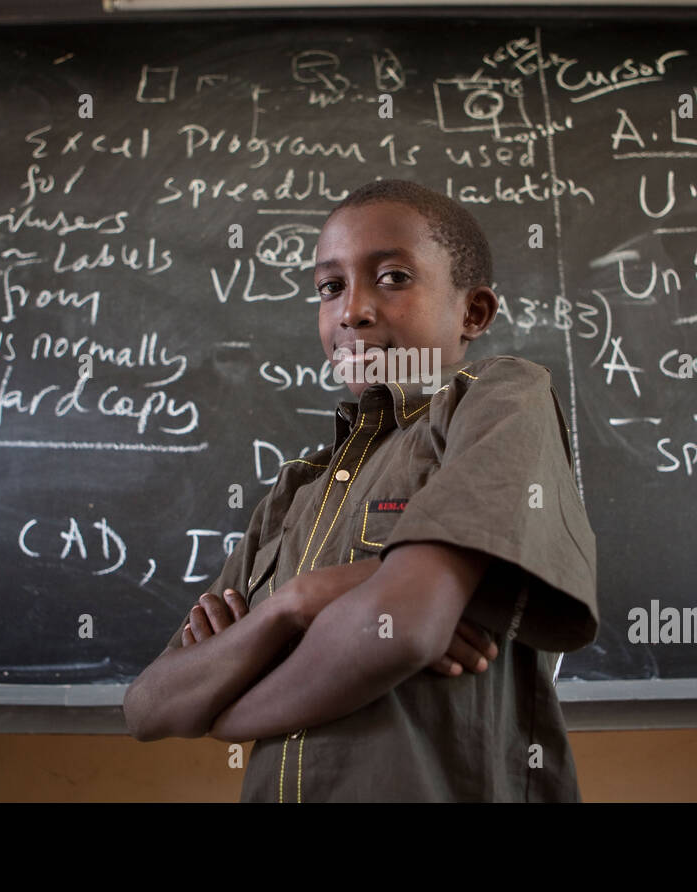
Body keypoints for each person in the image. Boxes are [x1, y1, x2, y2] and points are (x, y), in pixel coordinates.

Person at [123, 178, 598, 801]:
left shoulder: (498, 399)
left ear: (473, 313)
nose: (352, 310)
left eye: (394, 277)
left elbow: (406, 629)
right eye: (330, 287)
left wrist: (228, 713)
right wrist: (293, 605)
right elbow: (151, 706)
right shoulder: (297, 490)